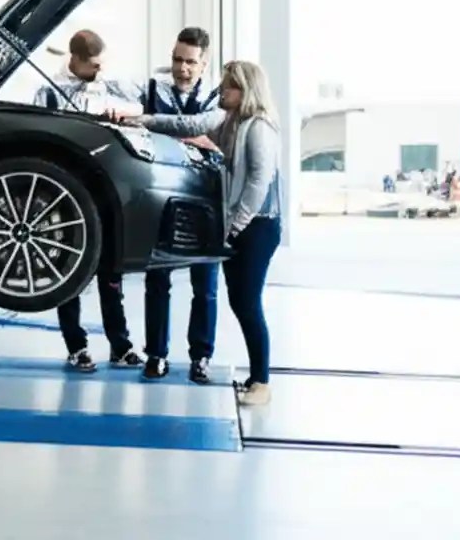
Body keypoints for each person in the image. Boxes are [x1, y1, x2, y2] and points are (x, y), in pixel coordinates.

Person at [118, 60, 283, 406]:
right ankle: (256, 378)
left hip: (259, 226)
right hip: (242, 226)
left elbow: (258, 180)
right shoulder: (230, 122)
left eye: (228, 87)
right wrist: (145, 121)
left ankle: (262, 383)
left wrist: (235, 226)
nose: (221, 91)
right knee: (240, 302)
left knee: (248, 303)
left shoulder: (258, 127)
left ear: (245, 90)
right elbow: (188, 125)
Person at [110, 27, 222, 384]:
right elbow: (108, 87)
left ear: (204, 64)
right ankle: (156, 354)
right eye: (177, 59)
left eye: (190, 62)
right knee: (156, 281)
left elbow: (213, 137)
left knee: (205, 286)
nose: (182, 68)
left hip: (207, 201)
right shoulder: (152, 88)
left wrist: (162, 131)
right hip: (163, 198)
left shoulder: (220, 97)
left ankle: (201, 356)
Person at [33, 29, 145, 373]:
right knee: (70, 275)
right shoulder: (47, 93)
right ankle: (76, 346)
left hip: (106, 190)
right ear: (76, 60)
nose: (99, 70)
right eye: (93, 66)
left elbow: (140, 106)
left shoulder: (109, 84)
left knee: (112, 274)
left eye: (102, 64)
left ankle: (120, 345)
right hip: (65, 198)